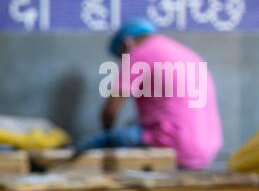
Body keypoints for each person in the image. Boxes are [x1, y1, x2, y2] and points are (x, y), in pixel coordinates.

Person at [81, 17, 223, 169]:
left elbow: (110, 111)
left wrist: (108, 138)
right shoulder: (185, 53)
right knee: (132, 128)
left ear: (127, 43)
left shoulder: (138, 53)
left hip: (172, 145)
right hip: (208, 150)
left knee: (91, 144)